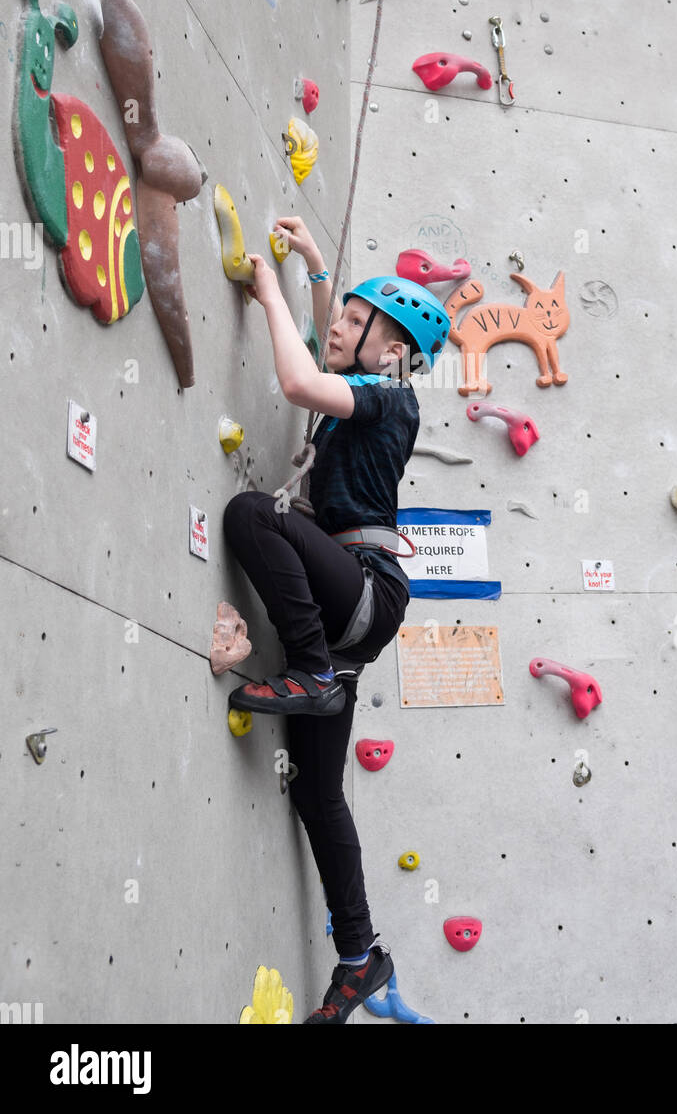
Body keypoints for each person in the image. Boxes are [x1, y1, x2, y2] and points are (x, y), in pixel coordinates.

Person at [222, 217, 449, 1025]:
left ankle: (313, 670)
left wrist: (268, 293)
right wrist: (318, 267)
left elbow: (300, 381)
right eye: (342, 316)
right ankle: (360, 955)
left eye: (359, 323)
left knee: (252, 513)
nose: (339, 330)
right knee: (318, 794)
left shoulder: (391, 401)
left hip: (359, 589)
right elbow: (330, 347)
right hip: (350, 609)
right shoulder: (377, 387)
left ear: (393, 352)